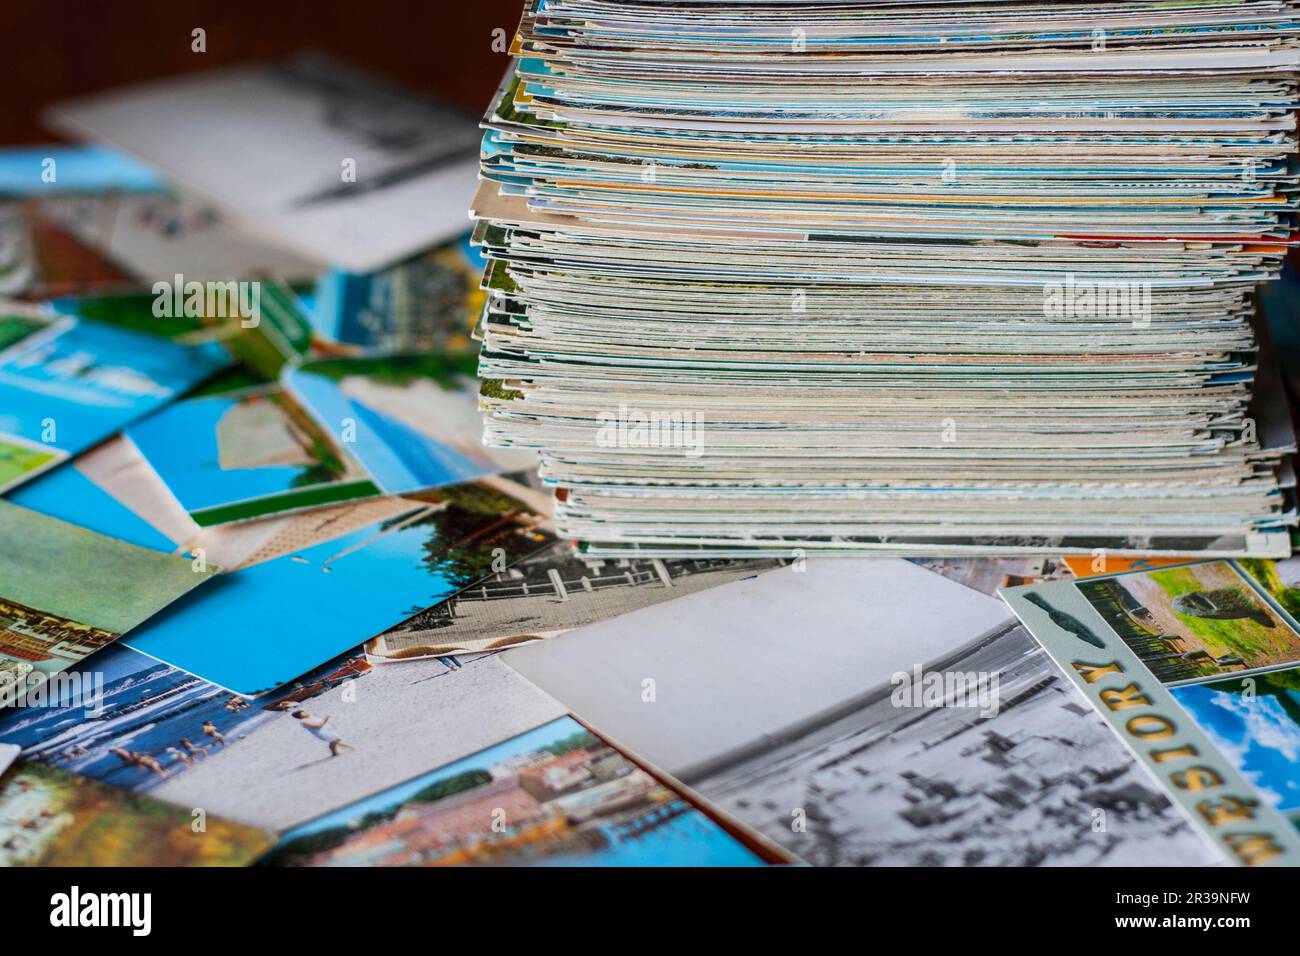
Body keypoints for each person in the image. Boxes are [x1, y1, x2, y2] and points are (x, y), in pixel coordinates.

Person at [291, 710, 356, 757]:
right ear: (301, 715)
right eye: (304, 712)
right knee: (335, 740)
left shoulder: (309, 717)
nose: (306, 712)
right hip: (321, 732)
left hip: (325, 730)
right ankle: (351, 747)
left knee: (334, 741)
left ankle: (335, 753)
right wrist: (325, 719)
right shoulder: (304, 721)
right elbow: (317, 725)